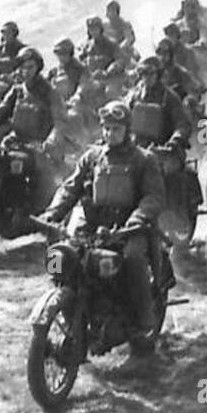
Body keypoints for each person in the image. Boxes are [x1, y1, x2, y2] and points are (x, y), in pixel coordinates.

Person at [41, 100, 168, 344]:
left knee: (132, 259)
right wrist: (53, 213)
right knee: (65, 256)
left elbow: (154, 197)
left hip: (130, 229)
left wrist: (136, 220)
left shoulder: (144, 159)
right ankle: (68, 303)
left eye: (116, 129)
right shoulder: (92, 157)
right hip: (94, 226)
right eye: (106, 129)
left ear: (127, 130)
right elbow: (71, 187)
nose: (110, 134)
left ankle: (144, 319)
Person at [0, 47, 64, 202]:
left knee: (44, 186)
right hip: (14, 141)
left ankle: (39, 211)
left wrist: (50, 140)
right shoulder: (17, 91)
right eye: (22, 67)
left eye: (30, 67)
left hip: (37, 146)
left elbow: (60, 121)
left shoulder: (49, 92)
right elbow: (0, 112)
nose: (26, 71)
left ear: (38, 68)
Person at [125, 56, 195, 223]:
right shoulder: (134, 96)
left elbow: (182, 124)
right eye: (142, 73)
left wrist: (174, 141)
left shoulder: (169, 97)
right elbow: (123, 119)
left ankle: (174, 217)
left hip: (163, 149)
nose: (146, 78)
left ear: (158, 74)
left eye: (150, 74)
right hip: (136, 147)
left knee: (163, 176)